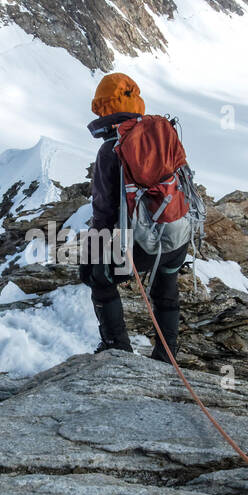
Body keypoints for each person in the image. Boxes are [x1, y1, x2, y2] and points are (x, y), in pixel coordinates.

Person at [82, 72, 189, 362]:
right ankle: (167, 355)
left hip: (141, 245)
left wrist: (92, 255)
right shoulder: (163, 133)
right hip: (177, 234)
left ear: (103, 108)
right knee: (166, 287)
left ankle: (117, 348)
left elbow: (103, 213)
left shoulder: (110, 150)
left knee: (99, 277)